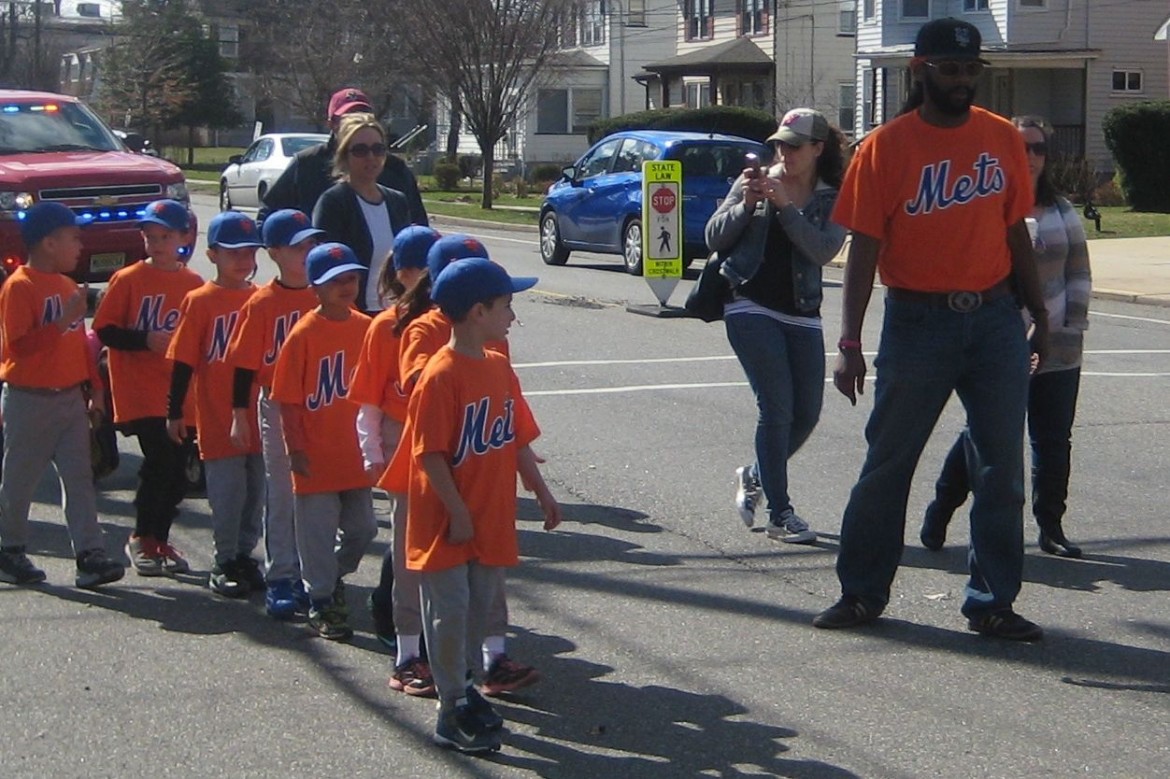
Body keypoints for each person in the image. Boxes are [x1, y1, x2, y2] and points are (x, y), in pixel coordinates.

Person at [814, 17, 1050, 642]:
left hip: (995, 319)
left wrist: (1040, 313)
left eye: (970, 69)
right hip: (917, 322)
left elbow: (1014, 231)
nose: (962, 79)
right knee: (889, 463)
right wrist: (848, 343)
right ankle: (861, 593)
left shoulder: (1000, 138)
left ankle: (992, 603)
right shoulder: (885, 148)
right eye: (949, 68)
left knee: (1002, 470)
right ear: (920, 71)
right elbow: (863, 251)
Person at [402, 257, 560, 753]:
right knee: (449, 613)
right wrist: (457, 512)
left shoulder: (497, 366)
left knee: (475, 613)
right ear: (478, 312)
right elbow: (429, 454)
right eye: (506, 306)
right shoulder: (440, 374)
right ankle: (451, 708)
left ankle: (466, 687)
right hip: (447, 521)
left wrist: (540, 489)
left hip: (489, 518)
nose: (512, 316)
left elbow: (514, 438)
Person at [920, 115, 1092, 559]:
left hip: (1058, 346)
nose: (1030, 157)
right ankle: (942, 507)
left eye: (1038, 148)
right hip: (1001, 344)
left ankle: (1051, 527)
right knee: (985, 434)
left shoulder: (1061, 211)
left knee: (1053, 440)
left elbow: (1078, 273)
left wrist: (1070, 328)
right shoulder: (984, 206)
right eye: (1020, 147)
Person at [706, 108, 847, 543]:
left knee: (806, 415)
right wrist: (747, 204)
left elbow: (823, 250)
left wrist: (785, 207)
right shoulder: (755, 181)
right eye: (780, 145)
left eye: (795, 146)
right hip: (749, 302)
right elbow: (714, 236)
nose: (784, 153)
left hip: (802, 310)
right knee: (777, 407)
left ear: (818, 149)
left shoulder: (833, 196)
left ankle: (755, 473)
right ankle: (780, 514)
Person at [0, 202, 125, 589]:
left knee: (79, 477)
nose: (79, 245)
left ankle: (90, 555)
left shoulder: (68, 286)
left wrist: (96, 389)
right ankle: (10, 549)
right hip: (29, 398)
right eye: (73, 238)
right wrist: (62, 321)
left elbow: (79, 346)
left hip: (70, 398)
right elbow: (17, 348)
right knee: (20, 479)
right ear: (49, 243)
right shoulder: (20, 286)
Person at [349, 225, 441, 692]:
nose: (434, 279)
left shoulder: (453, 321)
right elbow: (368, 399)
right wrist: (372, 452)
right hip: (398, 437)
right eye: (426, 269)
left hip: (444, 447)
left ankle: (436, 635)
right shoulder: (385, 326)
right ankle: (403, 638)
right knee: (406, 541)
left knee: (432, 540)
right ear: (403, 273)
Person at [271, 243, 376, 640]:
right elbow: (288, 400)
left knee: (363, 529)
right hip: (315, 455)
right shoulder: (303, 335)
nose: (346, 286)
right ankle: (321, 600)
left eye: (351, 278)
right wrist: (295, 448)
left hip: (355, 455)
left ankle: (330, 577)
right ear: (315, 287)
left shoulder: (366, 328)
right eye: (335, 281)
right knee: (316, 534)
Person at [93, 199, 203, 576]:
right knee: (160, 461)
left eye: (165, 237)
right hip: (140, 390)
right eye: (150, 236)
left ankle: (160, 539)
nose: (156, 244)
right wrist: (144, 339)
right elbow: (105, 330)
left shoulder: (193, 284)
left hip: (180, 393)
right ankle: (142, 536)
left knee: (179, 471)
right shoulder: (128, 279)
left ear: (184, 238)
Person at [225, 209, 323, 617]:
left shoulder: (325, 294)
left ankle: (315, 572)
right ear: (275, 253)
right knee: (282, 493)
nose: (307, 252)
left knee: (320, 495)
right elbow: (244, 364)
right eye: (298, 246)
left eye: (311, 244)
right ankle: (281, 574)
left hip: (323, 404)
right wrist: (239, 414)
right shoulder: (262, 302)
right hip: (279, 404)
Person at [166, 211, 265, 598]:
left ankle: (244, 554)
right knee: (227, 494)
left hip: (258, 414)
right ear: (212, 255)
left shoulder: (261, 298)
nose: (243, 260)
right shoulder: (201, 300)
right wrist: (175, 410)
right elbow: (184, 360)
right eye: (233, 252)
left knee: (255, 492)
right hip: (217, 415)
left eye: (249, 252)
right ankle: (224, 559)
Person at [260, 87, 427, 226]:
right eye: (348, 118)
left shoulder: (395, 170)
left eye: (363, 115)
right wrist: (293, 247)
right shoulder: (307, 164)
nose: (370, 157)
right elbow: (268, 216)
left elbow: (418, 225)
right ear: (331, 124)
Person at [312, 113, 411, 314]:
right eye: (360, 150)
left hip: (394, 314)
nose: (371, 157)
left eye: (378, 149)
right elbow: (326, 266)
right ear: (344, 155)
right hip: (352, 314)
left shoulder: (397, 201)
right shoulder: (334, 202)